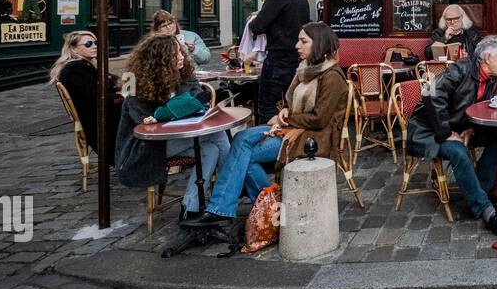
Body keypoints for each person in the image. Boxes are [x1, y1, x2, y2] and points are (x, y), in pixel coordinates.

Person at [183, 22, 348, 229]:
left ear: (320, 44)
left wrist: (285, 120)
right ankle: (269, 209)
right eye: (298, 40)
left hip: (312, 138)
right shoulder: (306, 69)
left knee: (243, 155)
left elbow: (319, 119)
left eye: (303, 41)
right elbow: (293, 102)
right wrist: (286, 110)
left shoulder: (332, 76)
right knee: (241, 140)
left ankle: (223, 209)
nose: (297, 45)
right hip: (292, 128)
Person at [406, 36, 497, 240]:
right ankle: (487, 212)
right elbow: (430, 93)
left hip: (458, 127)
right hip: (429, 129)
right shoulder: (460, 69)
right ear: (486, 57)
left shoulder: (491, 78)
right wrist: (446, 133)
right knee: (459, 153)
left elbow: (474, 108)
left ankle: (479, 196)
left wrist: (470, 129)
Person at [113, 34, 230, 217]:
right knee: (217, 135)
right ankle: (227, 194)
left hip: (180, 138)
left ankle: (190, 208)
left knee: (211, 149)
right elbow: (147, 122)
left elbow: (200, 101)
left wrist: (179, 109)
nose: (182, 56)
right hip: (147, 146)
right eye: (175, 54)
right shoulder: (136, 84)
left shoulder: (184, 74)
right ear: (161, 59)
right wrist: (181, 108)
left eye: (180, 51)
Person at [249, 0, 311, 124]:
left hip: (278, 59)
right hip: (298, 59)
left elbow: (258, 26)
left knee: (266, 106)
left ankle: (265, 142)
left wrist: (254, 19)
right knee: (292, 104)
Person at [49, 30, 122, 152]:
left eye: (95, 43)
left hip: (102, 120)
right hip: (101, 128)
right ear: (74, 49)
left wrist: (122, 83)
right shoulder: (75, 69)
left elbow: (109, 80)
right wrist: (121, 97)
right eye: (88, 44)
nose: (94, 46)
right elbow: (98, 96)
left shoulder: (83, 66)